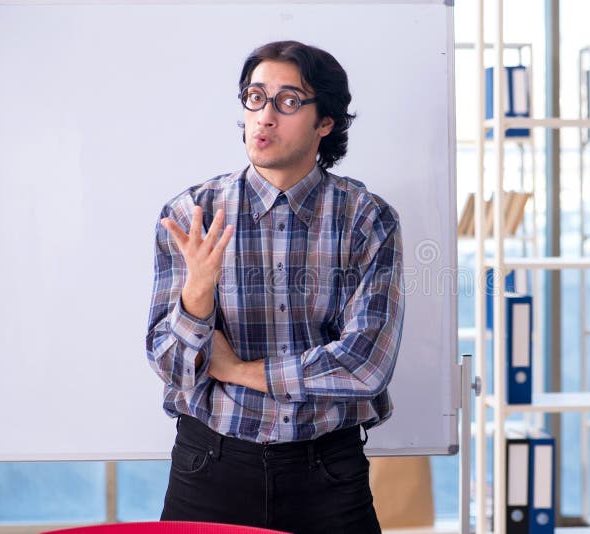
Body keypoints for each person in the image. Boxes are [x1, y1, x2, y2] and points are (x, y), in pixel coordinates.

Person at [145, 40, 404, 534]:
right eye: (255, 97)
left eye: (288, 102)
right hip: (209, 467)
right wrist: (197, 296)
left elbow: (365, 366)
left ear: (325, 122)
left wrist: (239, 371)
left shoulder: (366, 219)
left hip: (328, 474)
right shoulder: (192, 215)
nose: (264, 116)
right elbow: (173, 368)